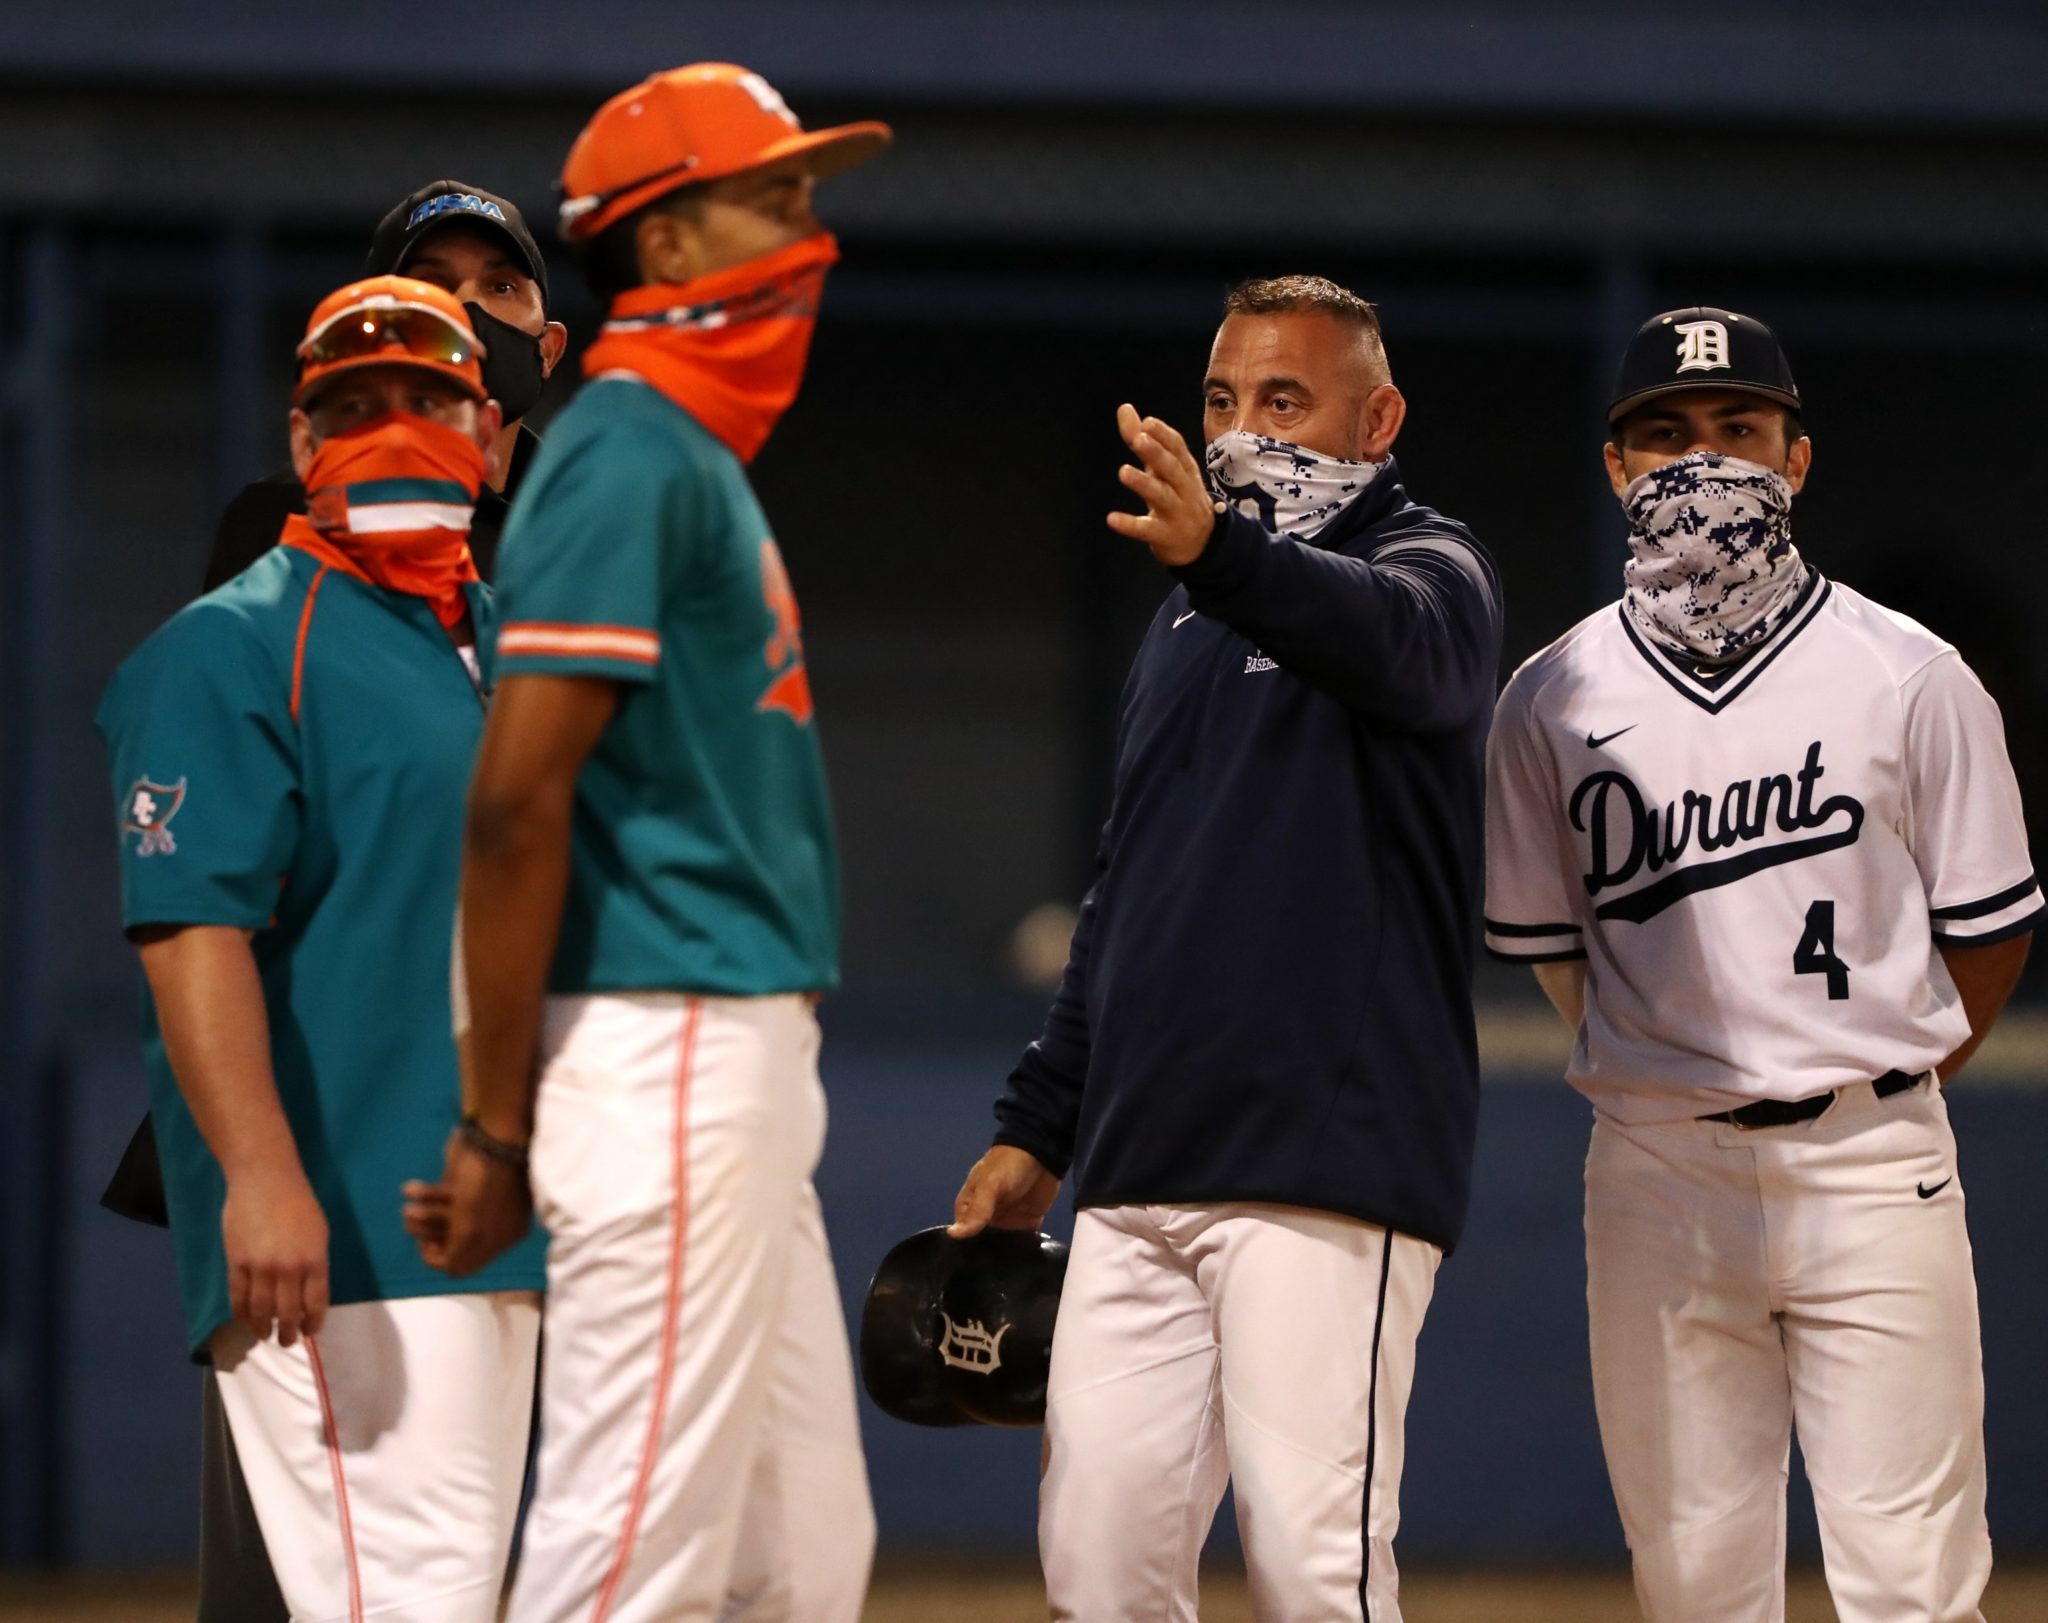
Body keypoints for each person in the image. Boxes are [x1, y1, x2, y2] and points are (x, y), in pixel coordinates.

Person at [402, 64, 889, 1620]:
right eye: (778, 197)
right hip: (665, 1034)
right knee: (626, 1563)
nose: (811, 235)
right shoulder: (624, 447)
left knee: (800, 1557)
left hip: (732, 1052)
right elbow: (513, 796)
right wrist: (494, 1125)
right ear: (667, 246)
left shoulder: (685, 455)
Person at [949, 275, 1504, 1621]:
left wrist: (1223, 560)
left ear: (1379, 418)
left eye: (1284, 398)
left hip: (1325, 1164)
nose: (1244, 427)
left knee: (1316, 1574)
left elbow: (1403, 654)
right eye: (1221, 399)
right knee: (1099, 1568)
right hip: (1140, 1168)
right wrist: (1042, 1119)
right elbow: (1126, 880)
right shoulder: (1184, 623)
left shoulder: (1432, 566)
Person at [1483, 306, 2036, 1623]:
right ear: (1618, 467)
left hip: (1874, 1160)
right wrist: (1674, 1062)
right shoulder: (1549, 696)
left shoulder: (1911, 673)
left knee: (1913, 1579)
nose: (1704, 458)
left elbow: (1993, 929)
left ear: (1796, 459)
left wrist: (1878, 1075)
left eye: (1739, 429)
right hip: (1658, 1166)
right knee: (1693, 1577)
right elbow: (1561, 955)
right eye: (1665, 434)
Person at [95, 177, 568, 1622]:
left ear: (495, 428)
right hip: (340, 1220)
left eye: (429, 393)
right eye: (353, 400)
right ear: (301, 436)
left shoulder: (516, 633)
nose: (396, 427)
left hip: (506, 1217)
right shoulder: (237, 636)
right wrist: (259, 1171)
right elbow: (195, 925)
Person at [206, 179, 568, 586]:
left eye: (501, 287)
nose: (469, 312)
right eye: (432, 286)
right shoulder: (281, 517)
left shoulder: (588, 517)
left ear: (550, 350)